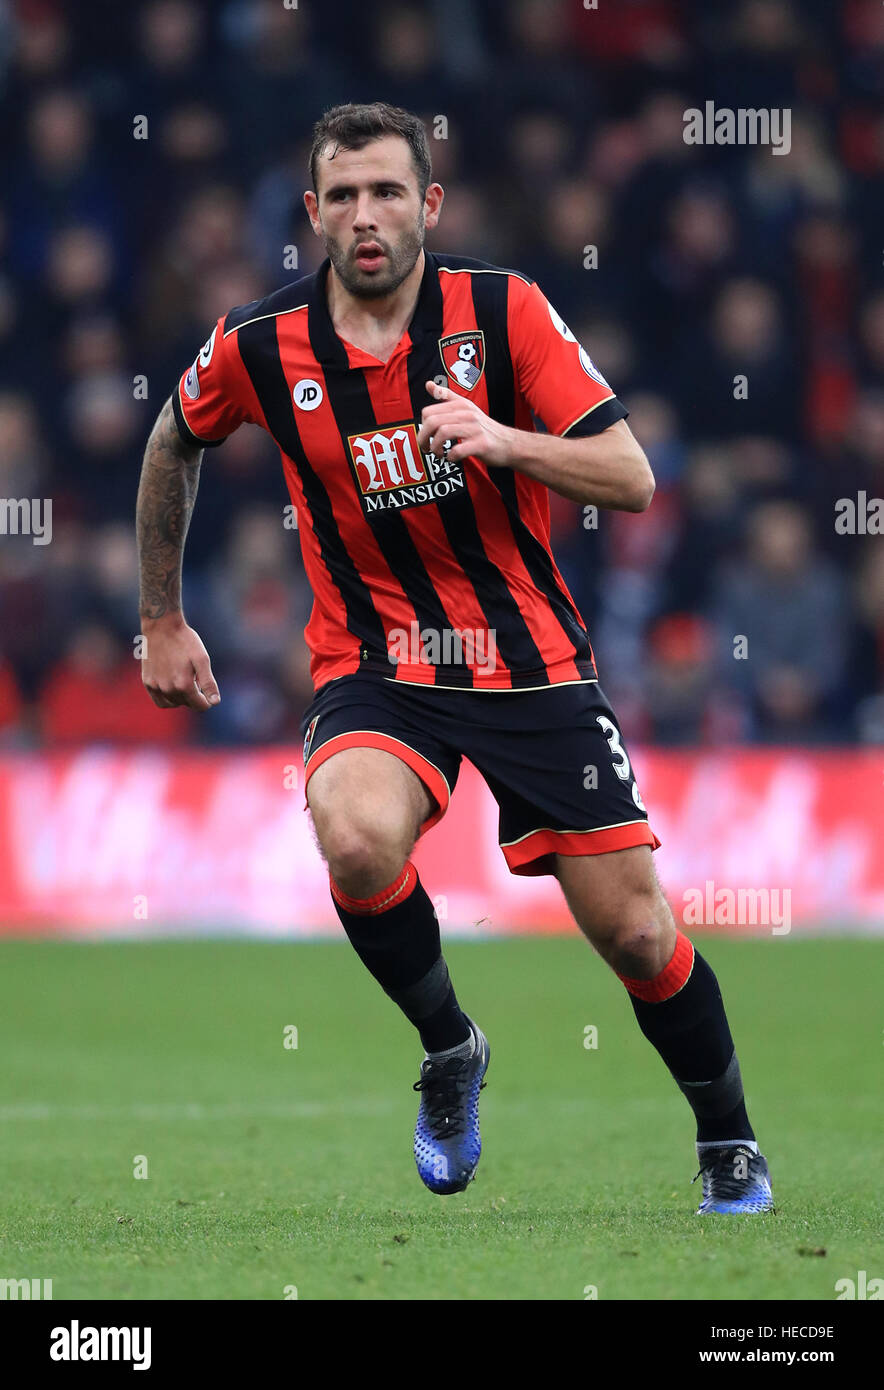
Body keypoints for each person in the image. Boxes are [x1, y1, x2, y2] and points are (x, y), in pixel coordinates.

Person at [135, 102, 773, 1214]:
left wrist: (503, 438)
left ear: (428, 203)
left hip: (528, 663)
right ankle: (448, 1048)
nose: (365, 216)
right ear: (312, 215)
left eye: (387, 191)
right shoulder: (256, 342)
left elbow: (629, 475)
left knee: (633, 930)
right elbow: (172, 439)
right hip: (376, 667)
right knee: (353, 832)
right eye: (342, 196)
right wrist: (159, 617)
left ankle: (725, 1137)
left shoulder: (503, 308)